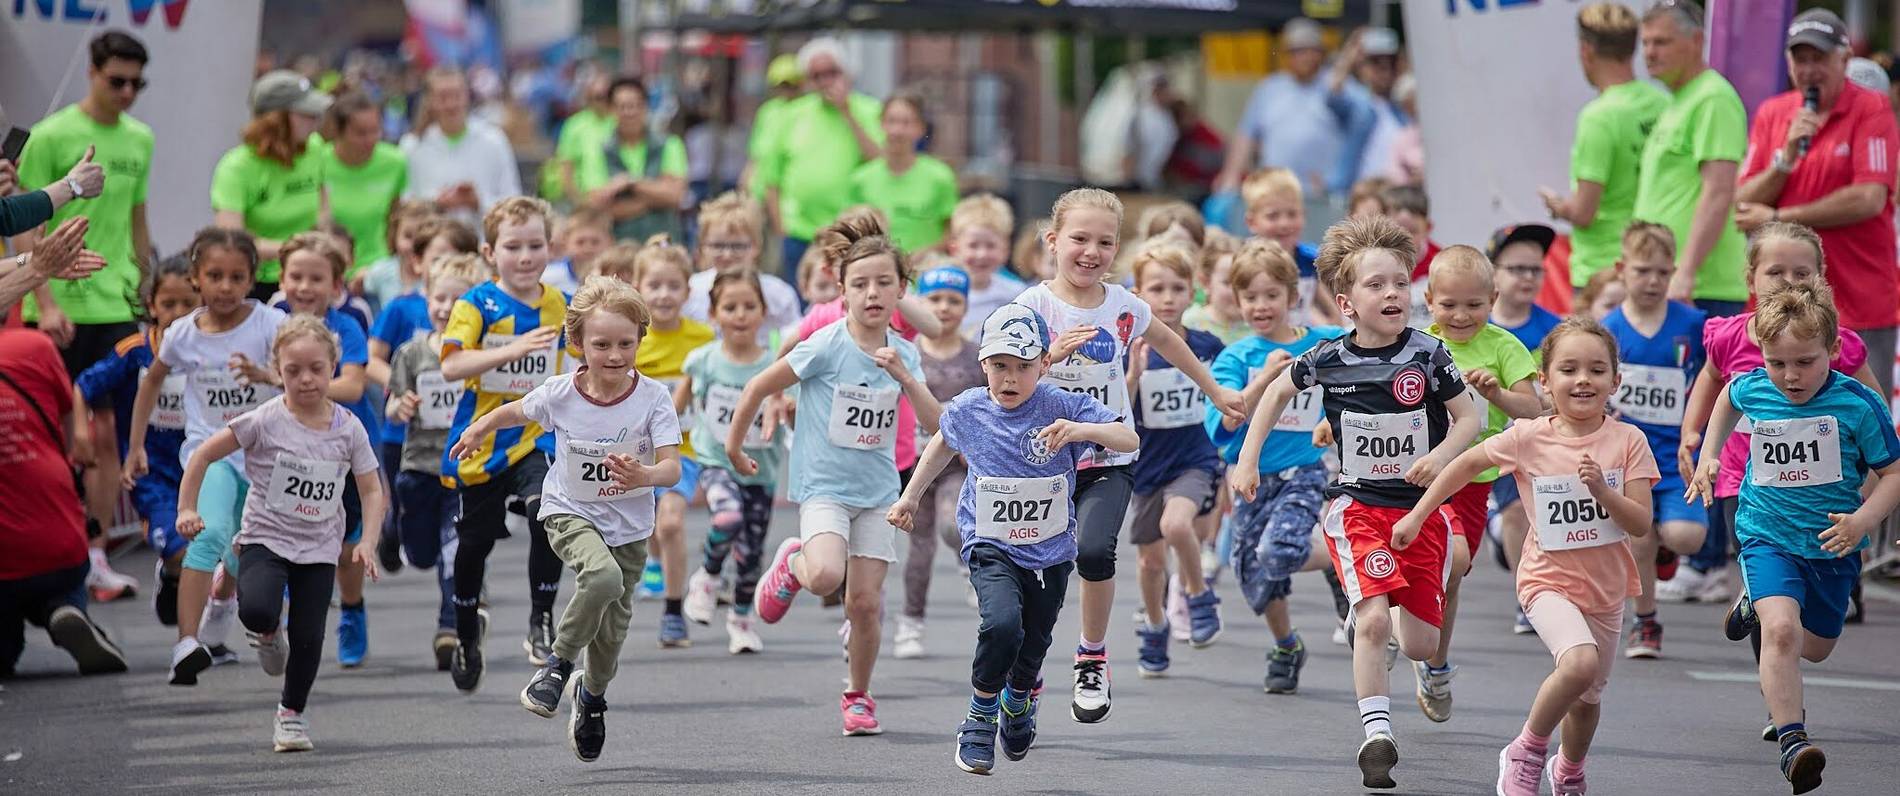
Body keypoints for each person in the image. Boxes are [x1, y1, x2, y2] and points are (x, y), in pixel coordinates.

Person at [1228, 215, 1482, 791]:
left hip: (1421, 510)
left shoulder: (1429, 355)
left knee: (1417, 641)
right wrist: (1247, 458)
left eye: (1399, 283)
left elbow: (1470, 419)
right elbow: (1273, 393)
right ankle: (1377, 736)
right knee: (1372, 623)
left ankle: (1403, 636)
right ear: (1346, 303)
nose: (1392, 293)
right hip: (1358, 507)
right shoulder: (1327, 359)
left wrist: (1441, 455)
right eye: (1377, 285)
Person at [1011, 188, 1246, 725]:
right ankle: (1024, 671)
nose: (1091, 252)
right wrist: (1048, 358)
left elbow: (1171, 342)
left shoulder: (1123, 305)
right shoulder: (1030, 307)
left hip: (1108, 454)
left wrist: (1214, 391)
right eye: (1079, 238)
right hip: (1042, 460)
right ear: (1053, 241)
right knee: (1035, 577)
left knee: (1095, 552)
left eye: (1105, 242)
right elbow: (1004, 381)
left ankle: (1092, 656)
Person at [1396, 317, 1659, 796]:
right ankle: (1526, 751)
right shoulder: (1528, 435)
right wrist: (1418, 514)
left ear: (1615, 382)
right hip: (1546, 581)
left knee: (1586, 699)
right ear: (1545, 381)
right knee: (1578, 665)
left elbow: (1640, 523)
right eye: (1569, 369)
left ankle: (1570, 770)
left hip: (1605, 589)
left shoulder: (1628, 442)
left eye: (1597, 370)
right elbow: (1467, 465)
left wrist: (1602, 490)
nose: (1583, 380)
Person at [888, 303, 1134, 775]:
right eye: (1000, 365)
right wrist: (911, 497)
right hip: (990, 543)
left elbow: (1129, 439)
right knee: (1001, 624)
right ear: (984, 364)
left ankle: (1018, 701)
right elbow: (943, 440)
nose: (1010, 378)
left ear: (1045, 364)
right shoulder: (969, 407)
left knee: (1034, 644)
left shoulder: (1061, 404)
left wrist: (1080, 431)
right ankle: (979, 718)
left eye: (1023, 366)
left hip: (1050, 552)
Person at [723, 216, 942, 736]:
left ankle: (859, 696)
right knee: (825, 575)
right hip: (824, 486)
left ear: (900, 291)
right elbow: (756, 385)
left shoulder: (905, 353)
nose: (872, 293)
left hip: (878, 493)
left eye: (884, 283)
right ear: (841, 292)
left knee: (864, 604)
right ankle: (793, 565)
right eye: (860, 284)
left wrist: (905, 377)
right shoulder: (825, 344)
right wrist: (734, 447)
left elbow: (939, 425)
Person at [452, 277, 679, 763]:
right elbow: (514, 411)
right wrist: (478, 428)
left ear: (641, 338)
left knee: (612, 637)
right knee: (601, 578)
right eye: (601, 345)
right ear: (577, 344)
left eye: (625, 343)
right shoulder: (561, 392)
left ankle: (591, 699)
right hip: (569, 511)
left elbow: (672, 468)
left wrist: (644, 474)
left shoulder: (654, 398)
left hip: (630, 526)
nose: (614, 355)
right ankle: (556, 666)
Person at [1687, 283, 1900, 796]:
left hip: (1832, 543)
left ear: (1833, 351)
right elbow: (1726, 399)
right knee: (1780, 631)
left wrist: (1862, 521)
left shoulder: (1858, 405)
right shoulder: (1756, 385)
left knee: (1818, 647)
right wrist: (1709, 455)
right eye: (1777, 362)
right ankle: (1792, 741)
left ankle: (1751, 608)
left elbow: (1894, 475)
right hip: (1766, 533)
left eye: (1805, 362)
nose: (1789, 376)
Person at [175, 314, 385, 752]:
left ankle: (291, 714)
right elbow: (202, 456)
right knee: (256, 610)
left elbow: (370, 488)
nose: (306, 380)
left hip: (319, 546)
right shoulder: (264, 419)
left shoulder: (349, 427)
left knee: (309, 637)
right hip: (265, 538)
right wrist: (187, 507)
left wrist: (367, 541)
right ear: (277, 370)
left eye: (316, 370)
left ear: (333, 367)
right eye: (293, 371)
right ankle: (267, 634)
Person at [1674, 223, 1880, 615]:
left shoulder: (1836, 344)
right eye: (1775, 272)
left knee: (1819, 573)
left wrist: (1870, 468)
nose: (1788, 281)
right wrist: (1692, 433)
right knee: (1759, 569)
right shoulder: (1730, 337)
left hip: (1822, 484)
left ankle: (1837, 590)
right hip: (1743, 476)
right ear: (1751, 279)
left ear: (1821, 277)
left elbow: (1875, 406)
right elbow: (1711, 380)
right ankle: (1765, 629)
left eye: (1801, 273)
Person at [124, 228, 287, 685]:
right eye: (214, 275)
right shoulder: (182, 334)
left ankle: (255, 619)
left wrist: (266, 374)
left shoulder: (269, 325)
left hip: (263, 456)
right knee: (209, 533)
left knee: (253, 550)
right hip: (208, 454)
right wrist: (136, 445)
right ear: (196, 276)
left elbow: (303, 376)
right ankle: (186, 644)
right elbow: (151, 382)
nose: (225, 287)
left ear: (253, 278)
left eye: (237, 277)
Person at [438, 197, 569, 692]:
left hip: (536, 437)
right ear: (491, 252)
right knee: (473, 546)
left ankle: (541, 618)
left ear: (549, 248)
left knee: (545, 513)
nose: (525, 256)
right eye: (513, 246)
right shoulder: (476, 304)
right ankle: (468, 636)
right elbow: (451, 366)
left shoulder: (558, 302)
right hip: (482, 438)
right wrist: (513, 349)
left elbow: (577, 357)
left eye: (535, 245)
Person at [1735, 8, 1900, 395]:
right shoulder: (1774, 113)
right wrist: (1785, 160)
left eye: (1819, 58)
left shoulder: (1871, 108)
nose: (1809, 69)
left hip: (1859, 302)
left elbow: (1869, 198)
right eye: (1800, 59)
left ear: (1844, 58)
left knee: (1865, 419)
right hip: (1785, 310)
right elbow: (1742, 201)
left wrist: (1778, 216)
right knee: (1779, 413)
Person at [1206, 239, 1342, 694]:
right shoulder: (1236, 357)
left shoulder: (1324, 344)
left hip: (1303, 473)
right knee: (1254, 577)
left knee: (1277, 552)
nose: (1261, 306)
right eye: (1250, 297)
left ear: (1292, 296)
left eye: (1271, 295)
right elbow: (1220, 425)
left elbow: (1362, 371)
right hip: (1248, 479)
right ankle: (1286, 646)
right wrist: (1265, 377)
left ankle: (1341, 561)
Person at [1415, 245, 1543, 718]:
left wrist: (1498, 392)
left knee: (1452, 571)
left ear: (1492, 299)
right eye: (1449, 304)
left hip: (1473, 478)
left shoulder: (1504, 346)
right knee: (1446, 557)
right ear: (1429, 300)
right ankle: (1392, 626)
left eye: (1474, 304)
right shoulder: (1417, 343)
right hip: (1420, 472)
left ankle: (1436, 662)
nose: (1461, 315)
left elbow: (1534, 410)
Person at [271, 234, 381, 667]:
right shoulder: (270, 320)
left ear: (336, 284)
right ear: (281, 279)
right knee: (283, 528)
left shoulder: (347, 325)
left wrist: (295, 384)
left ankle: (352, 610)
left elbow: (353, 386)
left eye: (316, 278)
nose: (304, 286)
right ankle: (284, 606)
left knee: (344, 543)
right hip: (288, 445)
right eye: (296, 276)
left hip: (344, 449)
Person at [13, 30, 150, 376]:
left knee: (114, 419)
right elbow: (27, 223)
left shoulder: (141, 138)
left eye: (137, 83)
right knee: (60, 418)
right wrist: (45, 304)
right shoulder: (50, 135)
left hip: (118, 300)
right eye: (117, 81)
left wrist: (146, 281)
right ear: (92, 72)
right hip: (61, 299)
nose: (127, 92)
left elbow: (137, 218)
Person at [1600, 222, 1708, 660]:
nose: (1652, 281)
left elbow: (1713, 376)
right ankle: (1646, 622)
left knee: (1686, 538)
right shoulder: (1609, 329)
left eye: (1662, 273)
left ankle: (1667, 545)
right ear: (1621, 270)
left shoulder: (1694, 324)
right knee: (1638, 540)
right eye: (1643, 271)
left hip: (1679, 455)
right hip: (1629, 458)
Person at [73, 257, 198, 627]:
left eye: (188, 304)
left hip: (200, 468)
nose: (178, 314)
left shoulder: (210, 349)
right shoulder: (135, 350)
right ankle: (173, 576)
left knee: (204, 554)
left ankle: (198, 621)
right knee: (180, 550)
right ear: (151, 306)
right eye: (168, 304)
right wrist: (81, 431)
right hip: (151, 473)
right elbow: (84, 386)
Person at [0, 323, 129, 679]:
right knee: (59, 577)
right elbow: (71, 429)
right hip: (56, 543)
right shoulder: (32, 346)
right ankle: (63, 608)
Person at [1125, 240, 1226, 675]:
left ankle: (1198, 593)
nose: (1167, 298)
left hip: (1194, 458)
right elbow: (1117, 411)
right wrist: (1132, 374)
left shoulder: (1206, 345)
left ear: (1192, 293)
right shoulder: (1129, 346)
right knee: (1149, 562)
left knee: (1176, 524)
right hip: (1146, 464)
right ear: (1138, 294)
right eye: (1157, 289)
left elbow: (1223, 394)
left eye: (1177, 288)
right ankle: (1154, 624)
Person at [386, 253, 489, 669]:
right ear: (426, 297)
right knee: (423, 554)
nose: (446, 308)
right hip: (419, 469)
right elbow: (391, 404)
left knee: (455, 550)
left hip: (465, 471)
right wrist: (401, 407)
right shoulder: (412, 353)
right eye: (439, 298)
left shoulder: (480, 356)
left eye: (457, 300)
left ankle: (451, 626)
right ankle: (393, 533)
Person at [677, 270, 781, 654]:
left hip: (761, 469)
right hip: (715, 458)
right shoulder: (702, 360)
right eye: (730, 307)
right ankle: (708, 574)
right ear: (714, 313)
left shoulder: (774, 363)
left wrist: (783, 409)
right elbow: (676, 408)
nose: (740, 315)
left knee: (752, 551)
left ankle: (740, 620)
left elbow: (789, 404)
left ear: (763, 313)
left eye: (749, 306)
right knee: (727, 517)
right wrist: (663, 445)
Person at [1541, 2, 1671, 290]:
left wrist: (1558, 206)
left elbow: (1584, 211)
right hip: (1654, 262)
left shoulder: (1598, 117)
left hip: (1602, 268)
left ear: (1585, 51)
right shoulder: (1664, 102)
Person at [892, 266, 985, 659]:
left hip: (955, 465)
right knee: (919, 549)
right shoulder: (907, 354)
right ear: (921, 304)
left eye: (954, 300)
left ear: (965, 306)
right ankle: (911, 623)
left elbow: (990, 406)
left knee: (953, 524)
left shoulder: (975, 356)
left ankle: (969, 563)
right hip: (913, 466)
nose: (944, 308)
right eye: (935, 300)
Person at [1632, 0, 1748, 314]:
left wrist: (1686, 270)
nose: (1649, 52)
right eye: (1645, 43)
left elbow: (1719, 191)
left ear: (1697, 41)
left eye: (1661, 42)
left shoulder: (1713, 98)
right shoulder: (1680, 99)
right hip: (1671, 279)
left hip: (1700, 287)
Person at [628, 238, 714, 647]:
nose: (663, 294)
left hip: (685, 450)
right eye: (654, 285)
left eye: (673, 286)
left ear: (687, 291)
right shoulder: (629, 340)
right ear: (638, 288)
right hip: (634, 453)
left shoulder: (702, 338)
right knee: (650, 525)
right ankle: (658, 564)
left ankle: (673, 611)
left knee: (672, 522)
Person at [754, 37, 884, 288]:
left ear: (846, 73)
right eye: (816, 75)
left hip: (854, 232)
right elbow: (772, 178)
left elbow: (878, 161)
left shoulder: (869, 109)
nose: (825, 81)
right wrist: (782, 227)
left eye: (832, 73)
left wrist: (847, 112)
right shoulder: (791, 115)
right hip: (801, 233)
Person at [212, 70, 332, 299]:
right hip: (255, 284)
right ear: (276, 120)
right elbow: (233, 240)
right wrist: (298, 249)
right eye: (306, 114)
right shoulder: (236, 167)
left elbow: (324, 206)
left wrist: (319, 244)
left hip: (308, 279)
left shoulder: (314, 147)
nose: (316, 120)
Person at [1215, 17, 1349, 199]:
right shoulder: (1269, 88)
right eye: (1297, 51)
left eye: (1311, 50)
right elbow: (1246, 135)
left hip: (1323, 193)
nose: (1305, 57)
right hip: (1274, 192)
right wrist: (1231, 175)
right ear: (1287, 55)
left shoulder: (1338, 87)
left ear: (1321, 53)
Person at [402, 67, 523, 224]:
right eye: (443, 97)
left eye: (457, 95)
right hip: (431, 244)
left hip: (482, 242)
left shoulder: (493, 139)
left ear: (467, 95)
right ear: (430, 100)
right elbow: (406, 204)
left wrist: (477, 202)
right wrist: (436, 203)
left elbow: (513, 202)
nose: (451, 104)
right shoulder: (412, 145)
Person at [576, 77, 689, 243]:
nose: (630, 112)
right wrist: (655, 199)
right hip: (617, 246)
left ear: (646, 107)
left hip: (664, 246)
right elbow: (596, 202)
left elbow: (675, 195)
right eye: (622, 106)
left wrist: (630, 183)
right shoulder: (599, 149)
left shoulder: (670, 144)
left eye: (636, 105)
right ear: (610, 109)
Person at [848, 91, 958, 254]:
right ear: (880, 124)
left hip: (925, 272)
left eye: (906, 123)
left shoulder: (940, 177)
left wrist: (927, 253)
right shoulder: (861, 179)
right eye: (891, 121)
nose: (897, 130)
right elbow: (851, 230)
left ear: (921, 128)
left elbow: (953, 231)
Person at [684, 192, 803, 344]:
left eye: (738, 246)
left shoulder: (778, 293)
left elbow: (793, 340)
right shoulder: (691, 291)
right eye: (717, 246)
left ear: (756, 247)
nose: (727, 255)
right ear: (702, 247)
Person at [319, 92, 408, 282]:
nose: (370, 139)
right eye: (360, 133)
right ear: (338, 131)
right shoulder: (318, 161)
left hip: (376, 269)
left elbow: (396, 217)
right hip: (328, 268)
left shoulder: (395, 162)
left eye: (375, 130)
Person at [1241, 168, 1330, 325]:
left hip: (1301, 342)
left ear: (1303, 215)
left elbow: (1330, 310)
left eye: (1292, 214)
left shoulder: (1310, 259)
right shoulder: (1244, 262)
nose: (1284, 223)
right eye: (1272, 216)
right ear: (1251, 222)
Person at [1329, 27, 1409, 192]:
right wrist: (1350, 54)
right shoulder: (1356, 102)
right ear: (1362, 66)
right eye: (1375, 63)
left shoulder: (1404, 109)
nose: (1384, 71)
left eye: (1390, 64)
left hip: (1394, 196)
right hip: (1359, 195)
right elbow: (1333, 93)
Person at [948, 194, 1025, 338]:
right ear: (955, 248)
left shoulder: (1016, 294)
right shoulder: (941, 291)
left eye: (991, 246)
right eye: (973, 245)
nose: (982, 254)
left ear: (1005, 249)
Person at [550, 72, 613, 206]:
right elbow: (566, 167)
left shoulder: (621, 122)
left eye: (608, 96)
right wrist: (579, 202)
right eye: (598, 97)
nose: (603, 102)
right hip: (587, 200)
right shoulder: (574, 125)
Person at [543, 208, 612, 295]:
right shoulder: (548, 277)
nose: (588, 249)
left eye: (595, 242)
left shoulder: (616, 278)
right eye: (580, 242)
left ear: (610, 241)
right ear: (566, 242)